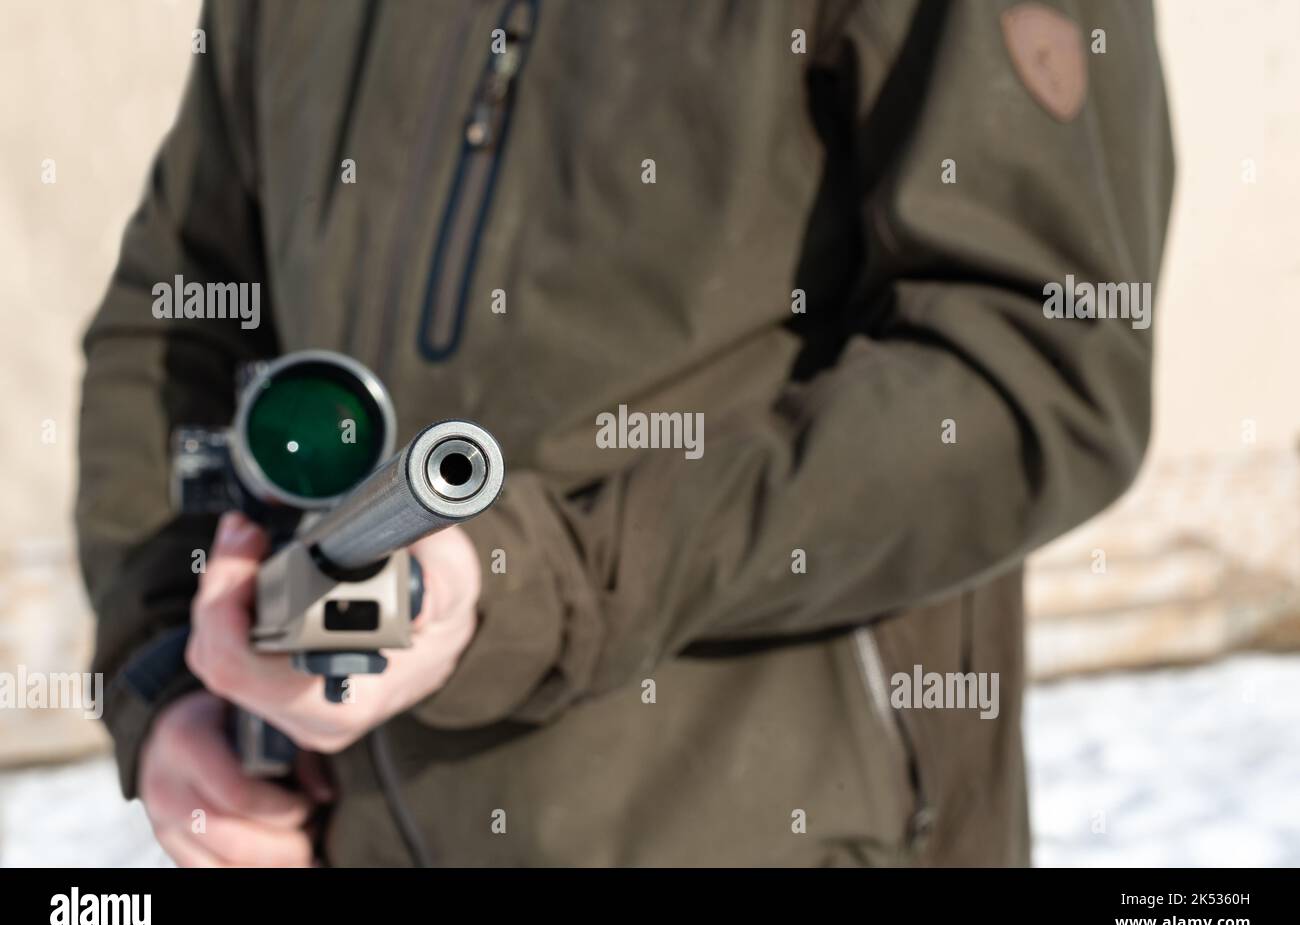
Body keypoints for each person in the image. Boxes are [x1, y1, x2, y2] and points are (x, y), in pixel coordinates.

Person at [77, 0, 1173, 866]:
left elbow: (1041, 362)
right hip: (352, 833)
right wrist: (168, 678)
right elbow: (178, 312)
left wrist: (538, 583)